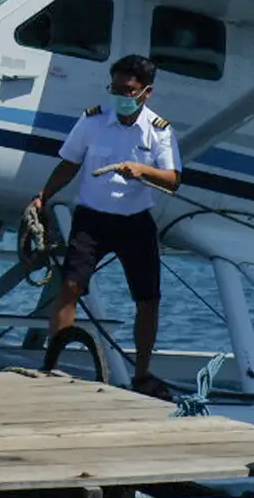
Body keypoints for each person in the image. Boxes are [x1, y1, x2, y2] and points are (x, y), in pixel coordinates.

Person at [27, 54, 180, 397]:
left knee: (148, 299)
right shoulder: (92, 120)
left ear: (146, 92)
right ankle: (52, 367)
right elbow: (69, 163)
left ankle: (142, 374)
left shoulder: (159, 131)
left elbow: (172, 179)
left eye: (128, 90)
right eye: (115, 88)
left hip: (135, 223)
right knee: (69, 287)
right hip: (92, 219)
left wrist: (142, 170)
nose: (121, 96)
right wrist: (43, 196)